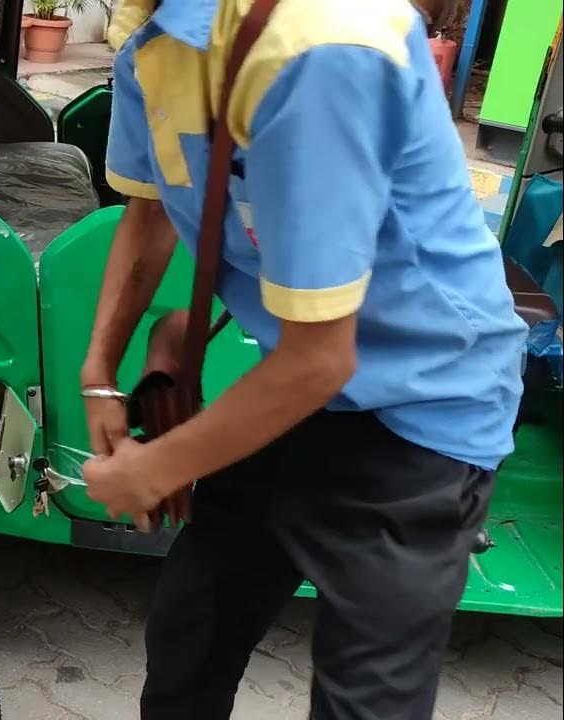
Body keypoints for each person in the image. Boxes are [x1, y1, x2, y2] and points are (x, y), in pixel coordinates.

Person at [78, 1, 529, 718]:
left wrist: (151, 469)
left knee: (365, 697)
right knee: (189, 637)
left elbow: (323, 359)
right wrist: (98, 378)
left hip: (424, 408)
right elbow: (152, 209)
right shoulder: (153, 34)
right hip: (291, 388)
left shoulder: (324, 43)